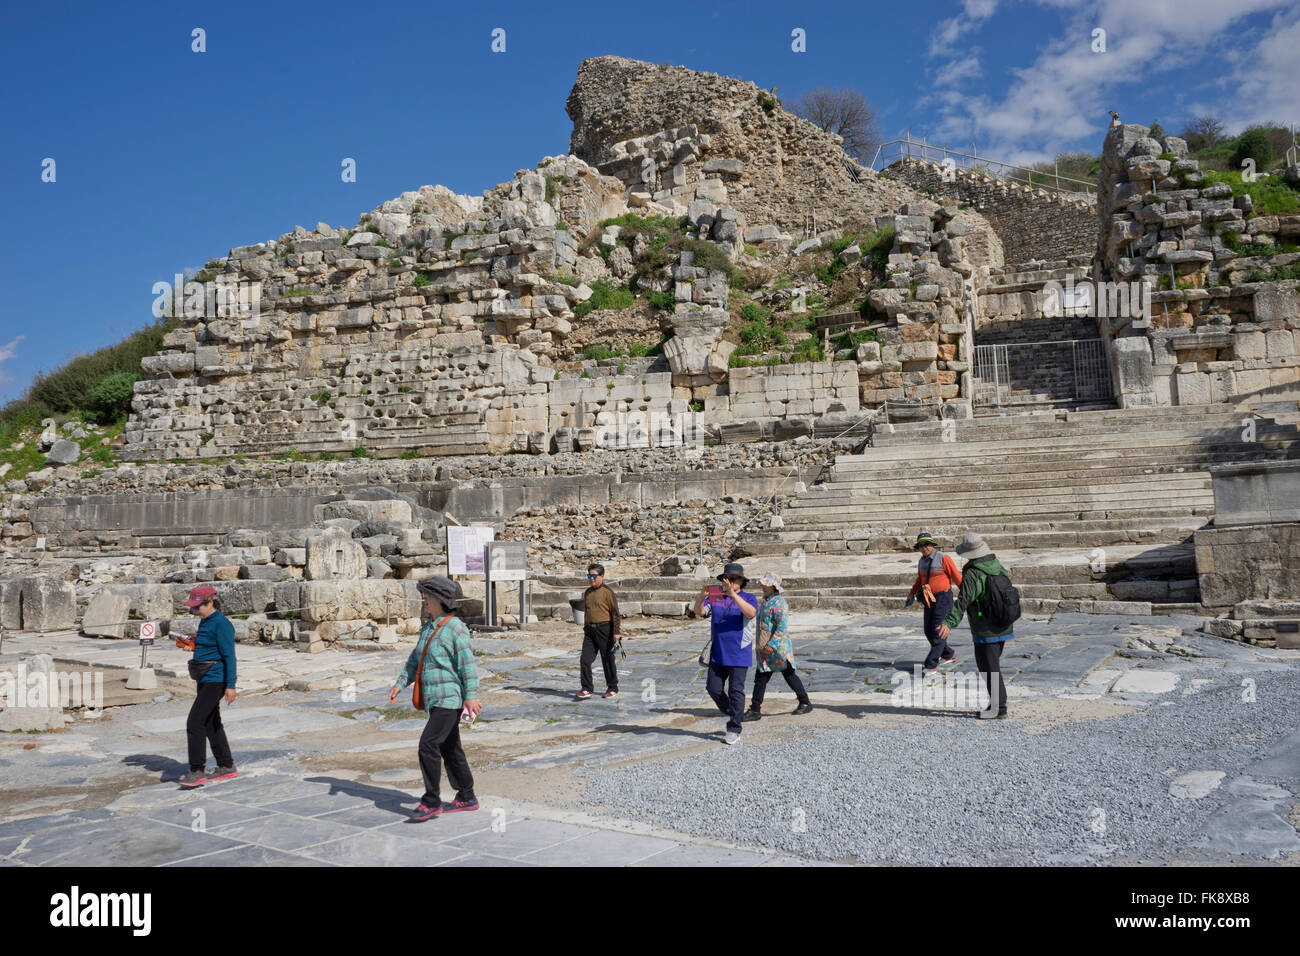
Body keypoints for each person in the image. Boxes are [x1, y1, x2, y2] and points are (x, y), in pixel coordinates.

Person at [390, 576, 482, 821]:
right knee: (450, 748)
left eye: (427, 596)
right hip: (433, 700)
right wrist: (400, 684)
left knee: (427, 745)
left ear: (440, 600)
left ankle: (431, 801)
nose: (424, 600)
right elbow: (414, 660)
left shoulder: (455, 628)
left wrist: (471, 696)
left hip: (449, 700)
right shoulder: (428, 627)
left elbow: (467, 666)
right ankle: (467, 795)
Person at [937, 533, 1013, 719]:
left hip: (986, 628)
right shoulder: (997, 566)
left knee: (989, 668)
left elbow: (963, 601)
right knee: (992, 666)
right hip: (1004, 623)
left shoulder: (973, 573)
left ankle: (998, 709)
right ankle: (996, 706)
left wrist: (948, 622)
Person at [178, 585, 238, 788]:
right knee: (212, 722)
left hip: (216, 679)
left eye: (197, 607)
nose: (195, 611)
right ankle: (226, 765)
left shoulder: (222, 624)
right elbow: (207, 645)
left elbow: (230, 656)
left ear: (209, 602)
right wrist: (192, 645)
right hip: (203, 677)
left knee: (194, 722)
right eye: (193, 608)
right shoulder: (205, 621)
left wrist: (231, 685)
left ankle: (197, 770)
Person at [692, 562, 757, 745]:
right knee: (713, 688)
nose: (728, 582)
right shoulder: (716, 597)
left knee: (736, 690)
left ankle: (734, 728)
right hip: (718, 653)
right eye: (726, 578)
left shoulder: (748, 597)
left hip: (739, 653)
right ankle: (734, 711)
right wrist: (701, 597)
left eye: (733, 579)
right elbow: (700, 612)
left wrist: (733, 595)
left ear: (740, 582)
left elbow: (751, 613)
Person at [744, 572, 812, 720]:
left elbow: (781, 627)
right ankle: (755, 709)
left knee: (788, 674)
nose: (762, 586)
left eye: (765, 584)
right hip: (765, 648)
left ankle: (805, 702)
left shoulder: (780, 603)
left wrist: (772, 644)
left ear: (772, 586)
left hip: (777, 649)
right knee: (761, 677)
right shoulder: (766, 601)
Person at [905, 532, 963, 674]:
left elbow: (956, 576)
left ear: (932, 545)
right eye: (921, 545)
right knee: (928, 630)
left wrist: (966, 594)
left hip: (943, 598)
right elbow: (920, 579)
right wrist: (912, 593)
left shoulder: (944, 558)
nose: (925, 548)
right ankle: (949, 654)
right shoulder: (921, 562)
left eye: (927, 544)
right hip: (928, 598)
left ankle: (931, 664)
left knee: (937, 630)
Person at [576, 563, 621, 700]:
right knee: (585, 660)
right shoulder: (587, 593)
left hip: (605, 629)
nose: (591, 578)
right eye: (589, 575)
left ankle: (612, 687)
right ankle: (587, 688)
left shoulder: (607, 592)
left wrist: (616, 632)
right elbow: (587, 612)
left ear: (601, 576)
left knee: (607, 659)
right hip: (590, 631)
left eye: (594, 576)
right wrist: (586, 628)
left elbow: (615, 614)